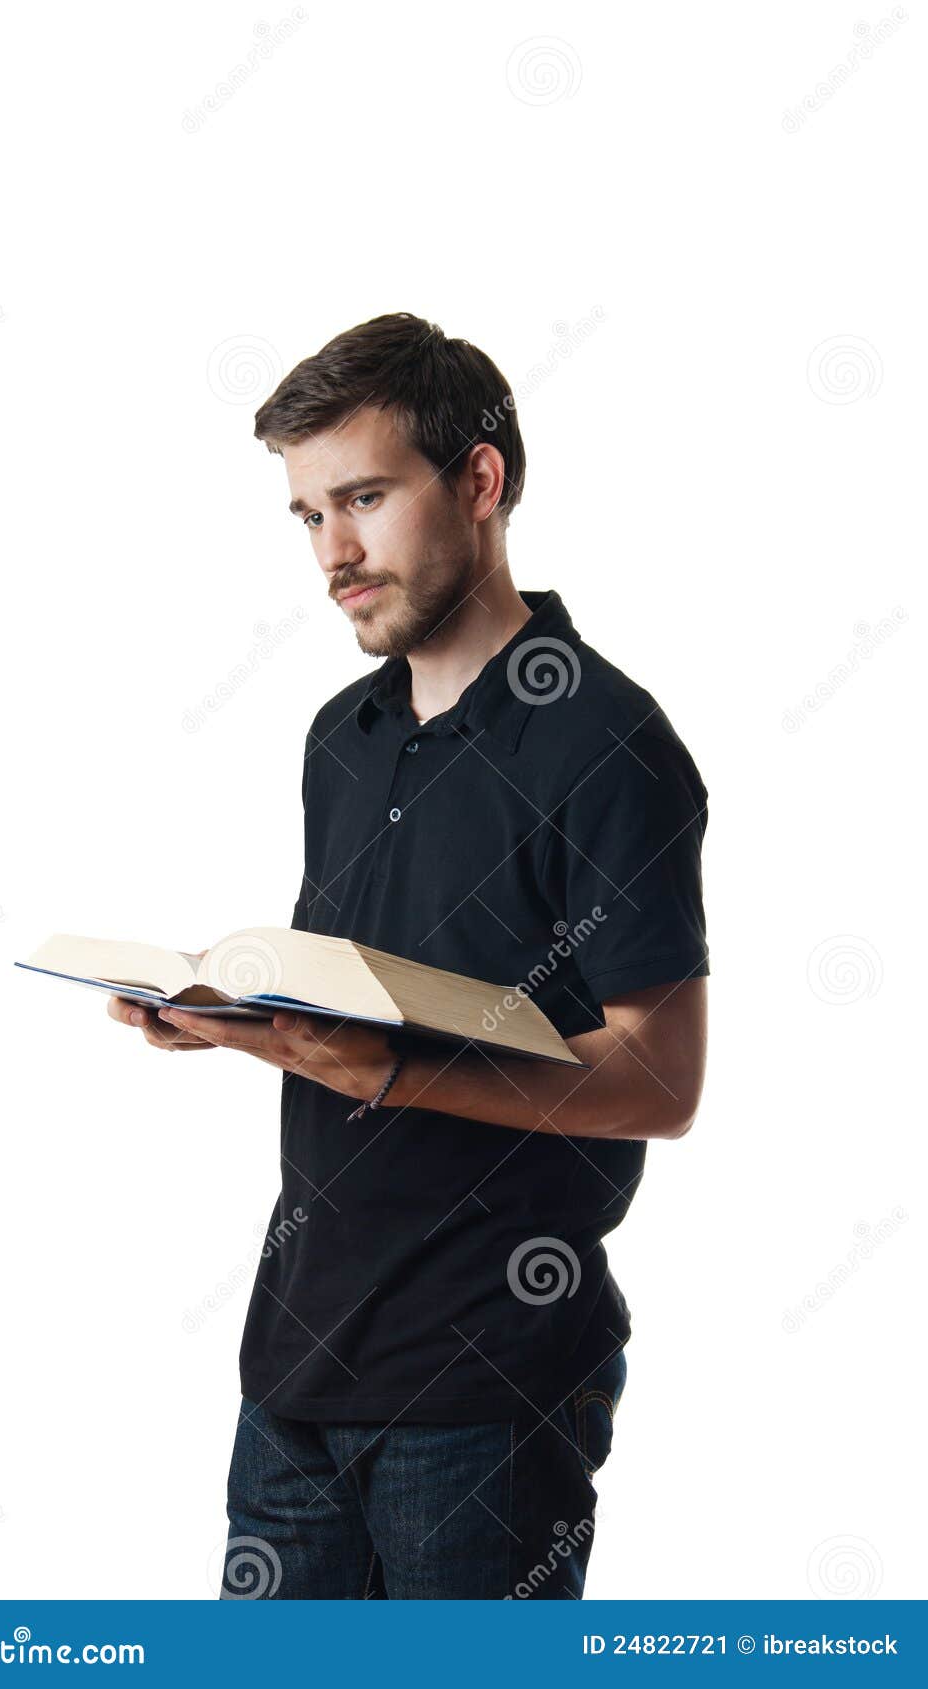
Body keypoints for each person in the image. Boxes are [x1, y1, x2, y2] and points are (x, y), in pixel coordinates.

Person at [108, 313, 709, 1599]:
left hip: (483, 1386)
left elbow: (659, 1082)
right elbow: (360, 1002)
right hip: (295, 1368)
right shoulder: (343, 733)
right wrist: (235, 1014)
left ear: (480, 483)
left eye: (365, 498)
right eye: (307, 514)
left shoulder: (606, 741)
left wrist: (383, 1072)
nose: (333, 552)